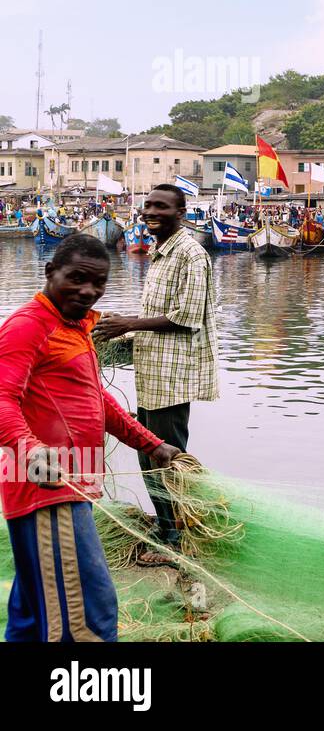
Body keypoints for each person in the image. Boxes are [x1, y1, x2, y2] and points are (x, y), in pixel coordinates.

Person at [0, 234, 181, 641]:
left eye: (98, 283)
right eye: (77, 278)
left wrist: (151, 443)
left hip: (71, 483)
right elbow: (2, 397)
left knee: (33, 614)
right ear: (51, 273)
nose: (88, 291)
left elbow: (95, 398)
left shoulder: (74, 326)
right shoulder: (29, 327)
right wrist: (30, 449)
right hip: (47, 488)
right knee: (88, 615)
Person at [95, 185, 217, 565]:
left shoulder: (190, 255)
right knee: (148, 454)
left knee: (165, 455)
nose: (150, 211)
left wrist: (129, 323)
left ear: (180, 212)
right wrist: (122, 332)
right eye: (148, 205)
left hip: (173, 374)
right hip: (152, 370)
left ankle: (175, 539)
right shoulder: (160, 253)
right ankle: (167, 525)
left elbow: (186, 318)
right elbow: (157, 318)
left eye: (160, 207)